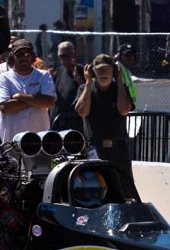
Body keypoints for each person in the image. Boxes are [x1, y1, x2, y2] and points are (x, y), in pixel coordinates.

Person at [74, 54, 135, 183]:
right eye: (99, 69)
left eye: (107, 69)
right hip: (94, 148)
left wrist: (119, 81)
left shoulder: (120, 89)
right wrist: (88, 83)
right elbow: (82, 111)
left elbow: (124, 110)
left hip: (118, 149)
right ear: (93, 71)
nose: (103, 73)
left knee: (124, 190)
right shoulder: (84, 89)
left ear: (114, 71)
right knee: (96, 188)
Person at [0, 38, 55, 141]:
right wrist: (36, 100)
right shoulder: (3, 78)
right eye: (19, 55)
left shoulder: (44, 75)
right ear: (12, 57)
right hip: (12, 144)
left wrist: (20, 97)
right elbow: (5, 107)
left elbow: (48, 102)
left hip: (40, 143)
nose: (23, 58)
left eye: (26, 54)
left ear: (32, 56)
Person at [50, 41, 85, 132]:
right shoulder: (57, 72)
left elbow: (89, 92)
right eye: (62, 56)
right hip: (58, 122)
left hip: (75, 123)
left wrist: (78, 79)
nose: (66, 59)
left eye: (68, 55)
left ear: (74, 55)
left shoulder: (83, 71)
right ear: (58, 57)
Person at [115, 43, 138, 107]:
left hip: (128, 108)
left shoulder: (126, 71)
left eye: (132, 55)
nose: (129, 58)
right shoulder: (117, 69)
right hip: (122, 108)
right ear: (120, 56)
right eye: (126, 55)